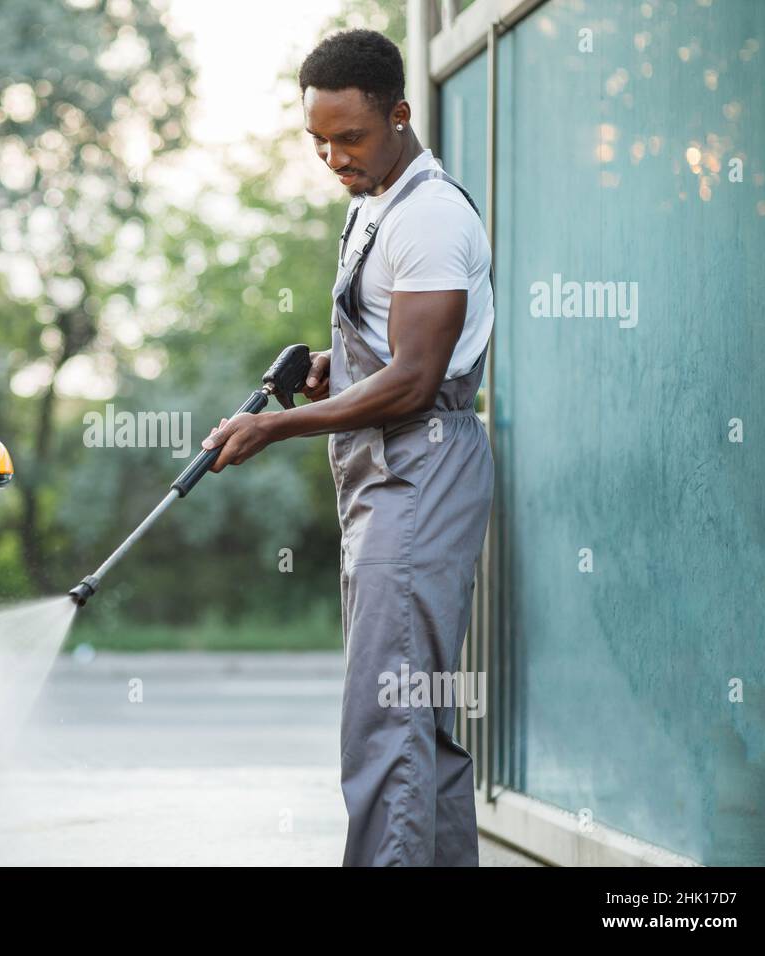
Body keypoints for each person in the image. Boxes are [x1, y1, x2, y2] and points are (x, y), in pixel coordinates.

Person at [200, 28, 495, 866]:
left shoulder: (429, 214)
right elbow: (394, 348)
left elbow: (413, 380)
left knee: (387, 723)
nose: (333, 157)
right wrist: (340, 362)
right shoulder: (377, 200)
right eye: (318, 141)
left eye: (350, 137)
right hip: (388, 478)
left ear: (400, 116)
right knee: (412, 727)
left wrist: (274, 425)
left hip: (419, 472)